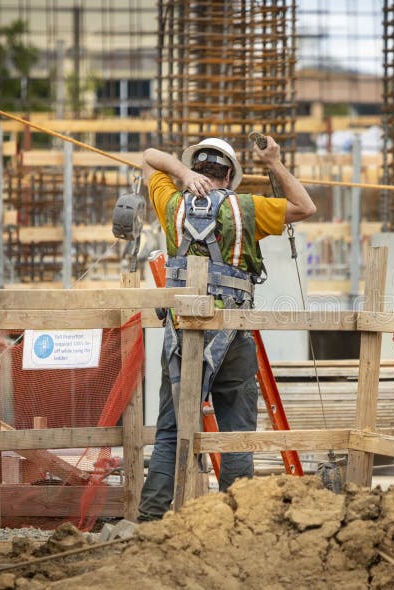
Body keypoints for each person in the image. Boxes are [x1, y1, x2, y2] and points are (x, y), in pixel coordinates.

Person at [137, 136, 315, 521]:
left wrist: (180, 175)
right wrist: (274, 163)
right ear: (230, 175)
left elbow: (149, 159)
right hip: (233, 336)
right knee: (236, 438)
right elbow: (306, 206)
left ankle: (149, 520)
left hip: (183, 337)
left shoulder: (172, 204)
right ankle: (238, 521)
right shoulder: (246, 209)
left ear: (195, 171)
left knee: (170, 432)